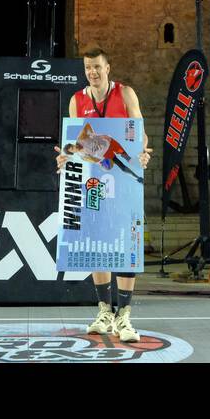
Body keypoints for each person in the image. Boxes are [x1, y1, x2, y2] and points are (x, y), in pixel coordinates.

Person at [55, 48, 151, 343]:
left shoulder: (125, 94)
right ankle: (104, 311)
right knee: (97, 242)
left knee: (124, 243)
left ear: (108, 68)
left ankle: (124, 316)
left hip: (123, 178)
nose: (92, 72)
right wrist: (66, 158)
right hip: (94, 178)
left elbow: (139, 131)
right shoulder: (77, 100)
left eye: (97, 67)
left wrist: (143, 152)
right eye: (88, 68)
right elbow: (77, 145)